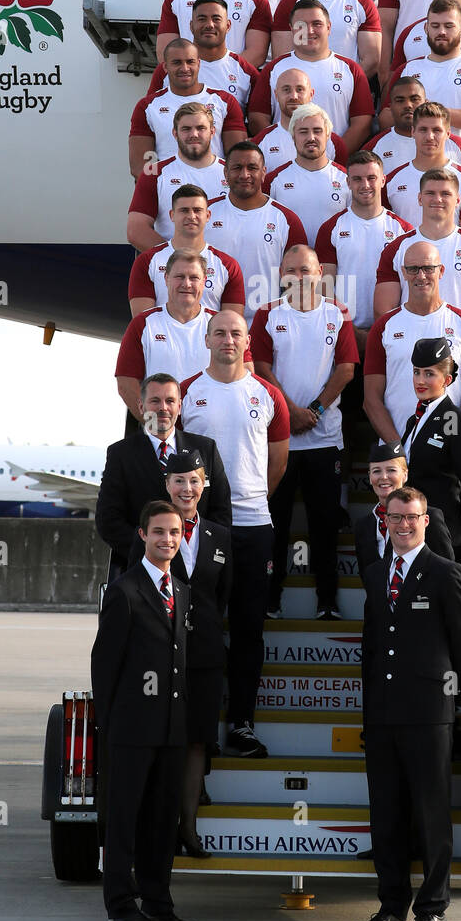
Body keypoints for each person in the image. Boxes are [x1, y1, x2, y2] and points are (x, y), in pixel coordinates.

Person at [354, 485, 461, 921]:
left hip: (428, 714)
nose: (403, 525)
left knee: (430, 813)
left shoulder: (446, 573)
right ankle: (390, 907)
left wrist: (456, 704)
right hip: (383, 714)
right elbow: (371, 644)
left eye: (412, 517)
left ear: (426, 521)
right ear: (384, 519)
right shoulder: (374, 572)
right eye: (395, 516)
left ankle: (433, 910)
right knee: (386, 813)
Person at [180, 311, 290, 758]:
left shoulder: (267, 396)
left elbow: (278, 462)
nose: (228, 339)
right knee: (197, 629)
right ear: (206, 338)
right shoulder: (187, 393)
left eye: (237, 333)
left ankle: (241, 724)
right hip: (202, 529)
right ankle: (195, 731)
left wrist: (249, 499)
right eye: (220, 332)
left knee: (248, 629)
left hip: (253, 527)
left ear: (249, 343)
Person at [91, 499, 194, 921]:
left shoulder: (182, 590)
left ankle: (158, 902)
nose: (167, 539)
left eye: (173, 532)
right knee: (124, 820)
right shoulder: (125, 591)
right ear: (142, 535)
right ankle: (120, 906)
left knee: (161, 820)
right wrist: (111, 728)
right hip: (132, 730)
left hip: (171, 730)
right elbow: (104, 666)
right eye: (158, 532)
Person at [250, 244, 358, 619]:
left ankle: (327, 602)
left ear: (320, 275)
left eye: (307, 270)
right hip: (279, 439)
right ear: (281, 274)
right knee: (274, 524)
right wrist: (289, 413)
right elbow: (260, 367)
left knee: (324, 524)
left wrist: (313, 411)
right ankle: (270, 600)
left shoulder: (336, 315)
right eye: (292, 270)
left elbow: (346, 370)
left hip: (324, 439)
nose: (300, 276)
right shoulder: (266, 315)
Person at [95, 372, 232, 576]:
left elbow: (221, 511)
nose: (163, 408)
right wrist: (152, 550)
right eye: (155, 401)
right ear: (141, 407)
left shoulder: (205, 449)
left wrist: (200, 552)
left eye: (170, 401)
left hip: (198, 572)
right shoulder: (120, 454)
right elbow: (108, 520)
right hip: (142, 572)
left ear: (180, 406)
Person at [165, 451, 232, 858]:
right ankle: (161, 829)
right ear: (166, 486)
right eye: (179, 481)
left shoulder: (220, 536)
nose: (187, 489)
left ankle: (188, 829)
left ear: (204, 485)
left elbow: (221, 597)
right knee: (164, 741)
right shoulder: (154, 529)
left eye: (194, 481)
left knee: (195, 744)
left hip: (204, 653)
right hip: (160, 652)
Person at [364, 238, 461, 433]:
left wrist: (451, 440)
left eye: (428, 268)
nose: (421, 276)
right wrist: (396, 447)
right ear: (403, 273)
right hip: (397, 453)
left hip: (446, 452)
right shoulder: (384, 326)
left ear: (441, 271)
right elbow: (371, 400)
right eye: (413, 269)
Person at [375, 168, 461, 334]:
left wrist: (458, 346)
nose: (438, 199)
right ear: (419, 199)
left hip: (455, 348)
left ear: (458, 200)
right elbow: (384, 311)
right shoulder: (397, 248)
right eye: (430, 193)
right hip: (408, 347)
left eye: (445, 194)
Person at [401, 338, 461, 573]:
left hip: (442, 536)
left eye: (429, 374)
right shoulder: (414, 421)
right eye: (417, 372)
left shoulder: (456, 419)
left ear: (447, 380)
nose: (420, 380)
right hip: (412, 534)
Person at [248, 0, 374, 150]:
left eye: (317, 24)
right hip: (285, 161)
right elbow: (258, 117)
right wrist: (284, 149)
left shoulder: (351, 69)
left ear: (328, 27)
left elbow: (362, 123)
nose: (309, 30)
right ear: (292, 29)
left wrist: (335, 153)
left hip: (332, 163)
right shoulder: (274, 68)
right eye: (301, 25)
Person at [205, 140, 307, 321]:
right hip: (212, 324)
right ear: (225, 173)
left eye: (252, 167)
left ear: (263, 172)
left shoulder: (287, 220)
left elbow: (299, 281)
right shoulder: (205, 214)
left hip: (267, 324)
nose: (245, 174)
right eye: (237, 168)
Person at [115, 252, 223, 421]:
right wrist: (153, 425)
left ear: (204, 281)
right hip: (162, 435)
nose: (186, 284)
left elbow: (242, 377)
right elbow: (126, 383)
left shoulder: (222, 324)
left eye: (194, 278)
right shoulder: (143, 324)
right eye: (179, 276)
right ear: (166, 279)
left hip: (211, 432)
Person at [316, 150, 411, 336]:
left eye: (371, 178)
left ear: (383, 180)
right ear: (348, 182)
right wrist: (349, 330)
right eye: (358, 179)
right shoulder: (330, 228)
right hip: (344, 330)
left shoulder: (403, 230)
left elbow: (408, 285)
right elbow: (325, 287)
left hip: (392, 329)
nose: (365, 185)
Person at [387, 0, 461, 151]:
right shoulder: (406, 69)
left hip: (458, 162)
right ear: (426, 28)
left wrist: (427, 113)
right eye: (435, 26)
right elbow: (385, 117)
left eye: (449, 26)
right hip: (411, 159)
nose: (441, 32)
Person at [128, 38, 246, 177]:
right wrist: (159, 188)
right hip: (170, 189)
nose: (184, 68)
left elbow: (237, 158)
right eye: (177, 62)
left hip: (215, 188)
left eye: (190, 62)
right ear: (165, 67)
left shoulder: (224, 101)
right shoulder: (148, 106)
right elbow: (141, 167)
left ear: (199, 64)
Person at [127, 183, 245, 317]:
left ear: (208, 215)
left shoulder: (228, 266)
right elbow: (143, 324)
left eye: (197, 210)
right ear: (172, 215)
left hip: (209, 338)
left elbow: (232, 325)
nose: (191, 216)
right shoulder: (147, 262)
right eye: (184, 210)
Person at [127, 102, 228, 250]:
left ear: (212, 132)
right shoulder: (155, 173)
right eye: (186, 129)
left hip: (224, 269)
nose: (194, 134)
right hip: (176, 270)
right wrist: (177, 260)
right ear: (175, 133)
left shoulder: (232, 173)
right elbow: (136, 230)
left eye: (201, 128)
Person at [354, 439, 455, 574]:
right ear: (370, 477)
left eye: (391, 470)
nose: (384, 477)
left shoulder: (429, 518)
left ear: (405, 475)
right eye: (376, 471)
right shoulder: (363, 526)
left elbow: (446, 573)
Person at [383, 115, 461, 237]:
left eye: (436, 130)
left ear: (448, 133)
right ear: (413, 132)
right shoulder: (391, 181)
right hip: (405, 255)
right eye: (423, 129)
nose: (429, 136)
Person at [263, 105, 351, 246]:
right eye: (303, 132)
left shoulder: (347, 179)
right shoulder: (273, 180)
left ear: (328, 135)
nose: (311, 138)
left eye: (317, 131)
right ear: (293, 136)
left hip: (333, 265)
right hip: (289, 265)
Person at [253, 66, 347, 168]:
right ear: (276, 95)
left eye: (300, 89)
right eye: (286, 90)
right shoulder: (261, 141)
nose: (294, 96)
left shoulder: (333, 142)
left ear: (311, 94)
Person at [364, 74, 425, 170]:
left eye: (414, 99)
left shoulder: (451, 143)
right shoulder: (374, 147)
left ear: (426, 103)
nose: (408, 105)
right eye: (400, 100)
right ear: (390, 107)